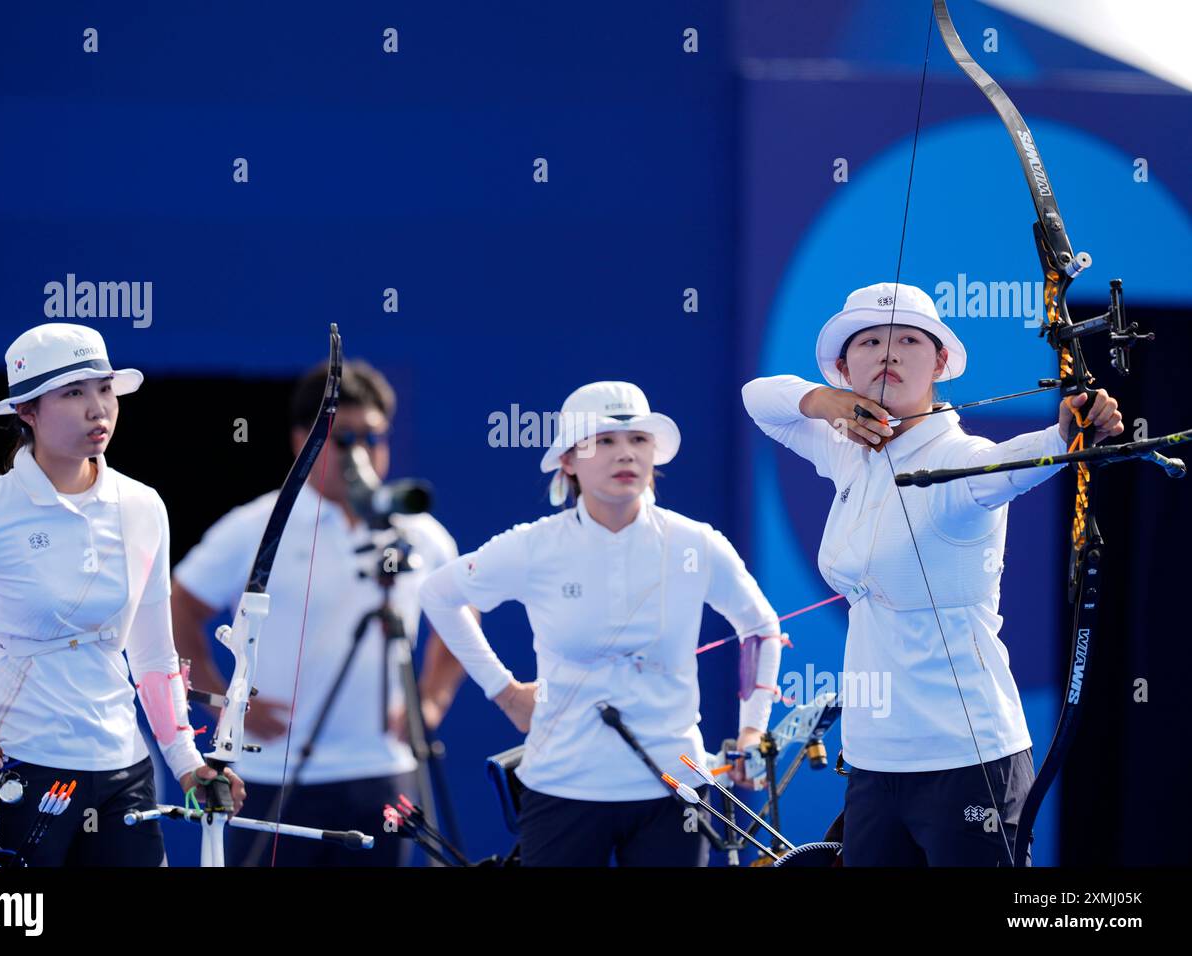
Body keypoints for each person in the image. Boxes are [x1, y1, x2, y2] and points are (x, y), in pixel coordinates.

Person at [741, 282, 1124, 866]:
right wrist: (825, 402)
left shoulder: (961, 460)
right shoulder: (846, 449)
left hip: (968, 759)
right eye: (868, 342)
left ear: (940, 360)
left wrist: (1071, 431)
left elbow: (1019, 461)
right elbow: (757, 397)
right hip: (873, 760)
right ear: (845, 368)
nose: (887, 353)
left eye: (908, 341)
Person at [0, 323, 235, 866]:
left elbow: (152, 654)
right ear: (26, 411)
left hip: (126, 773)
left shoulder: (144, 505)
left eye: (104, 388)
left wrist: (187, 763)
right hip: (20, 770)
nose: (98, 408)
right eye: (73, 393)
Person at [419, 381, 785, 867]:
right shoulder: (535, 546)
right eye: (604, 441)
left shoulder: (694, 543)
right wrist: (505, 692)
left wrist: (751, 731)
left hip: (677, 788)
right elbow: (437, 594)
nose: (625, 454)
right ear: (568, 461)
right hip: (561, 788)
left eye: (638, 440)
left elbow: (760, 627)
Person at [171, 359, 464, 866]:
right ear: (302, 441)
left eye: (372, 438)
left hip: (382, 772)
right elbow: (177, 606)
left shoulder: (420, 534)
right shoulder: (256, 526)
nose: (361, 454)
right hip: (270, 777)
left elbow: (462, 614)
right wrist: (222, 703)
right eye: (342, 438)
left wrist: (432, 699)